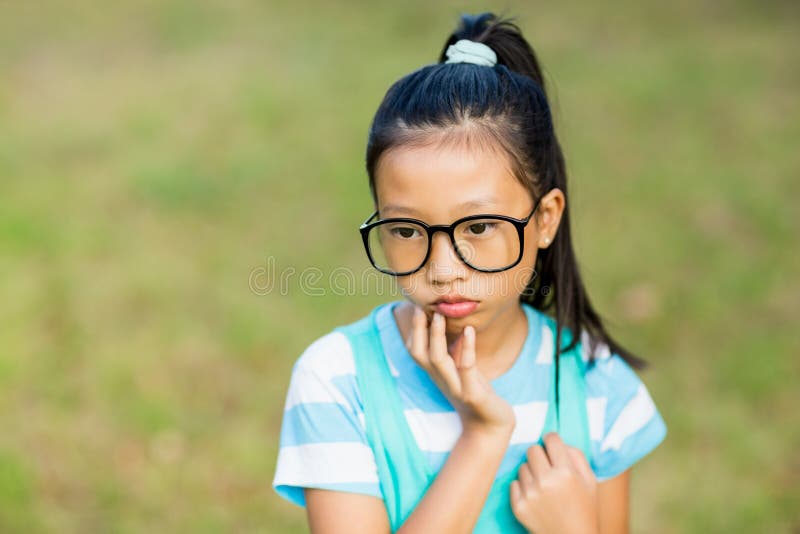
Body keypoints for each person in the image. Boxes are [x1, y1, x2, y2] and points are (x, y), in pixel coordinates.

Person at [272, 11, 667, 534]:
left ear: (545, 219)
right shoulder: (339, 381)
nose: (442, 270)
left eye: (479, 227)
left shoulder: (597, 385)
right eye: (406, 230)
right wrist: (482, 438)